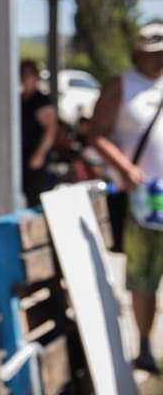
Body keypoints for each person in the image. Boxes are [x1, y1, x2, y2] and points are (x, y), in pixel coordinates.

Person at [89, 22, 163, 374]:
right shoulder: (120, 86)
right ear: (137, 54)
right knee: (142, 275)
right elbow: (97, 133)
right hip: (144, 200)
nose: (159, 59)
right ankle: (144, 343)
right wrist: (125, 169)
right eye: (152, 54)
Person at [19, 60, 57, 208]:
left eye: (29, 74)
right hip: (21, 155)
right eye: (22, 74)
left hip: (35, 157)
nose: (25, 78)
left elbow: (51, 130)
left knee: (34, 198)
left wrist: (39, 154)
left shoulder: (41, 101)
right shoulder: (19, 99)